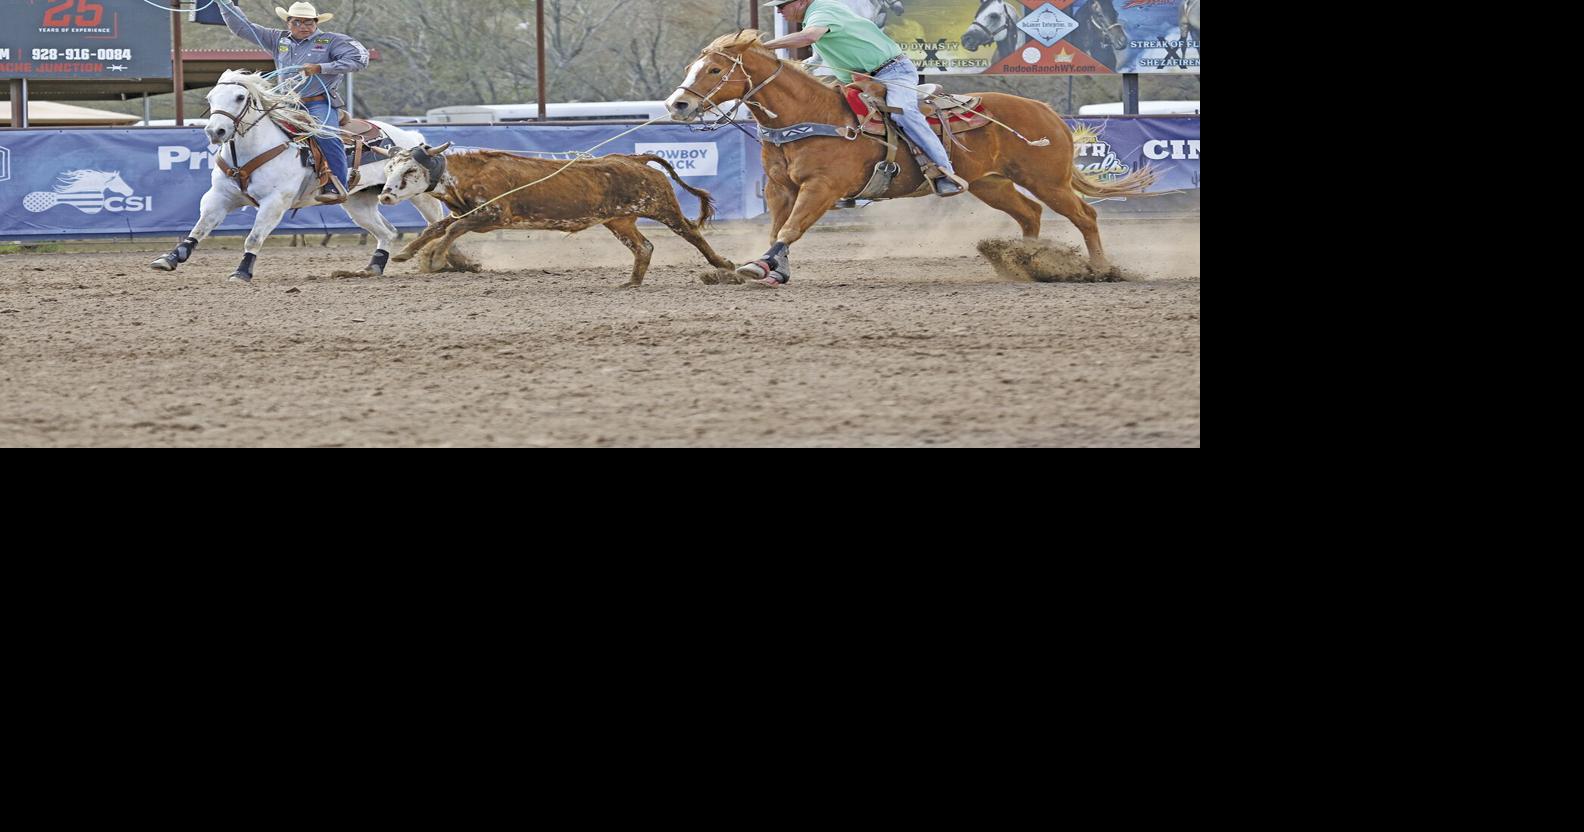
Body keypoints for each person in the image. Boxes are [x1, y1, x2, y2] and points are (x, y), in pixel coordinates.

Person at [762, 0, 970, 197]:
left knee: (903, 113)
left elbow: (809, 37)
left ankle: (945, 172)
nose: (780, 11)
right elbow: (814, 62)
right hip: (862, 81)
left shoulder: (822, 11)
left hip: (892, 73)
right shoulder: (814, 19)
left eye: (782, 5)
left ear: (801, 2)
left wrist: (764, 47)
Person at [214, 1, 370, 204]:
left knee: (325, 134)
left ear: (316, 22)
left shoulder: (332, 41)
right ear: (288, 22)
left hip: (318, 102)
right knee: (252, 127)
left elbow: (360, 58)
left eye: (309, 22)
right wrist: (224, 4)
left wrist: (321, 67)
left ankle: (337, 184)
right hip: (284, 104)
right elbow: (242, 27)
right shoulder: (277, 39)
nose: (303, 26)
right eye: (298, 22)